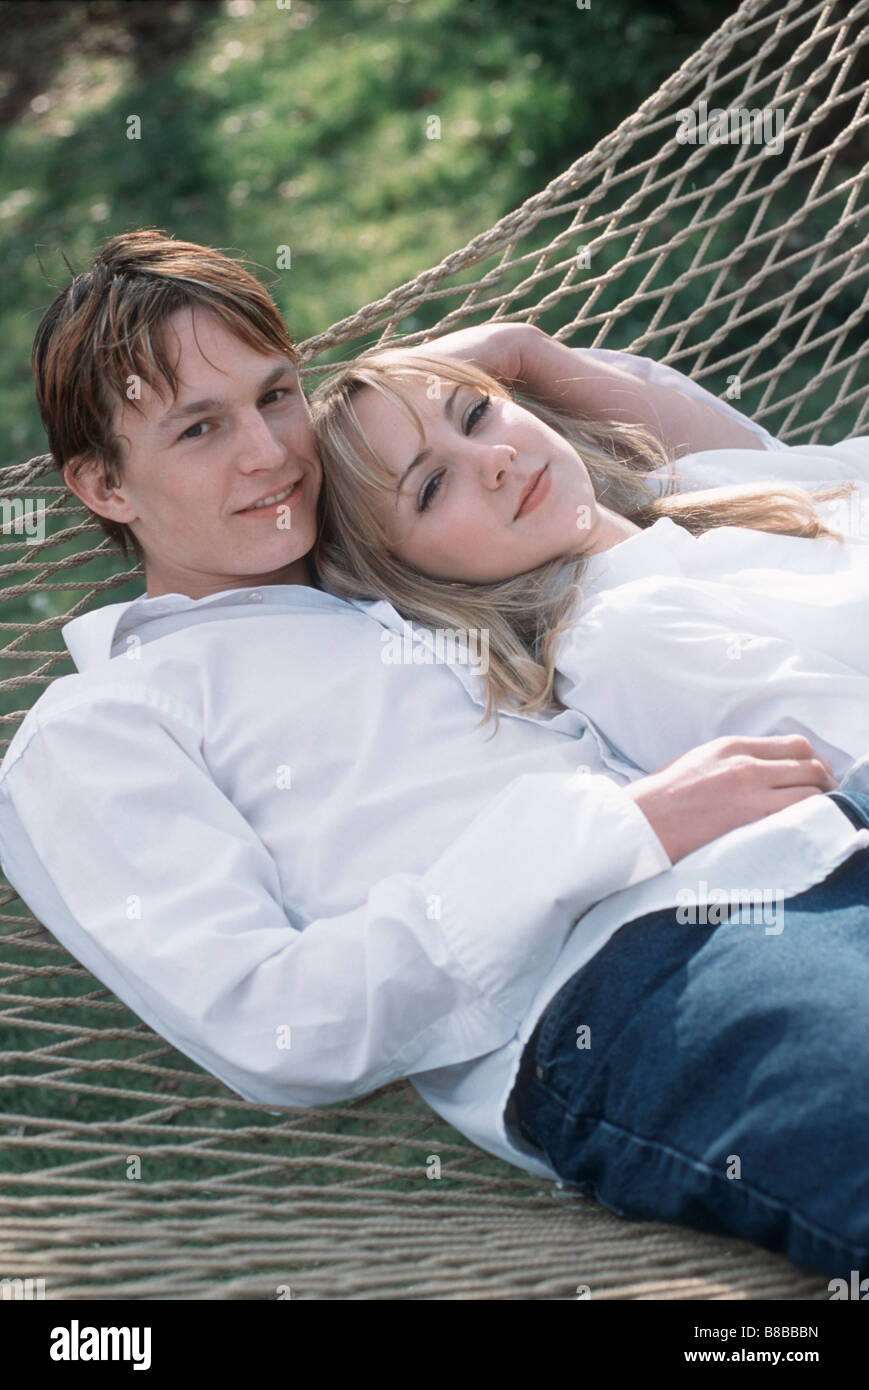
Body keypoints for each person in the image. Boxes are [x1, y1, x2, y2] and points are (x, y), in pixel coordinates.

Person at [0, 230, 867, 1285]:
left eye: (276, 395)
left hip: (824, 832)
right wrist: (612, 829)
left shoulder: (390, 551)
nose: (270, 453)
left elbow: (716, 482)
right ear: (102, 486)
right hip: (650, 983)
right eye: (199, 429)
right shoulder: (100, 729)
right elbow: (274, 1021)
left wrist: (525, 357)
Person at [310, 347, 869, 787]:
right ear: (402, 572)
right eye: (432, 486)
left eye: (477, 414)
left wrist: (523, 348)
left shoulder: (701, 489)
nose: (494, 461)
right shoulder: (628, 637)